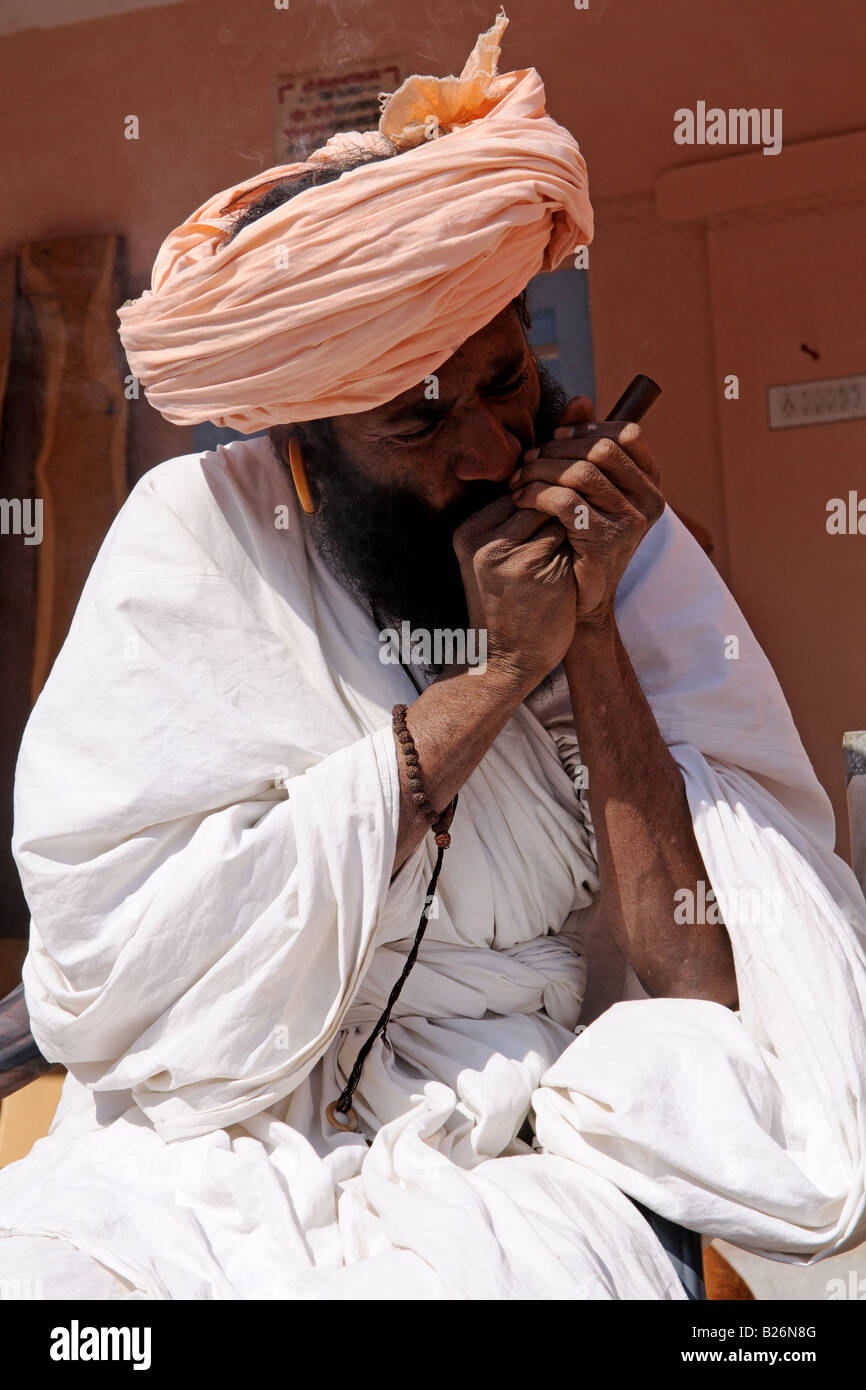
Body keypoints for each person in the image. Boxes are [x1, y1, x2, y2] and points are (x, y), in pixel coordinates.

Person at [0, 12, 864, 1300]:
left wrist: (593, 629)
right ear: (306, 445)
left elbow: (706, 981)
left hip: (525, 1111)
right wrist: (498, 677)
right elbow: (120, 965)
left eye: (508, 380)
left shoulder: (628, 544)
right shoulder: (202, 534)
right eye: (414, 419)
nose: (484, 449)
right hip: (219, 1115)